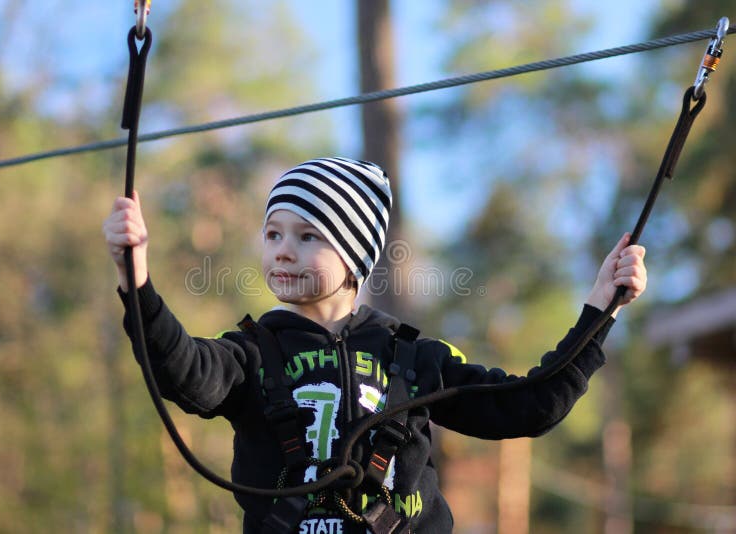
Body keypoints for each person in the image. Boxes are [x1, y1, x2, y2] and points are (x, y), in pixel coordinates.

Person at [103, 157, 647, 534]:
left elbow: (528, 404)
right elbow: (182, 369)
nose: (283, 251)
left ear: (355, 256)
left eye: (307, 235)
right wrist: (138, 281)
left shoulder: (414, 358)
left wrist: (601, 311)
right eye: (273, 234)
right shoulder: (249, 354)